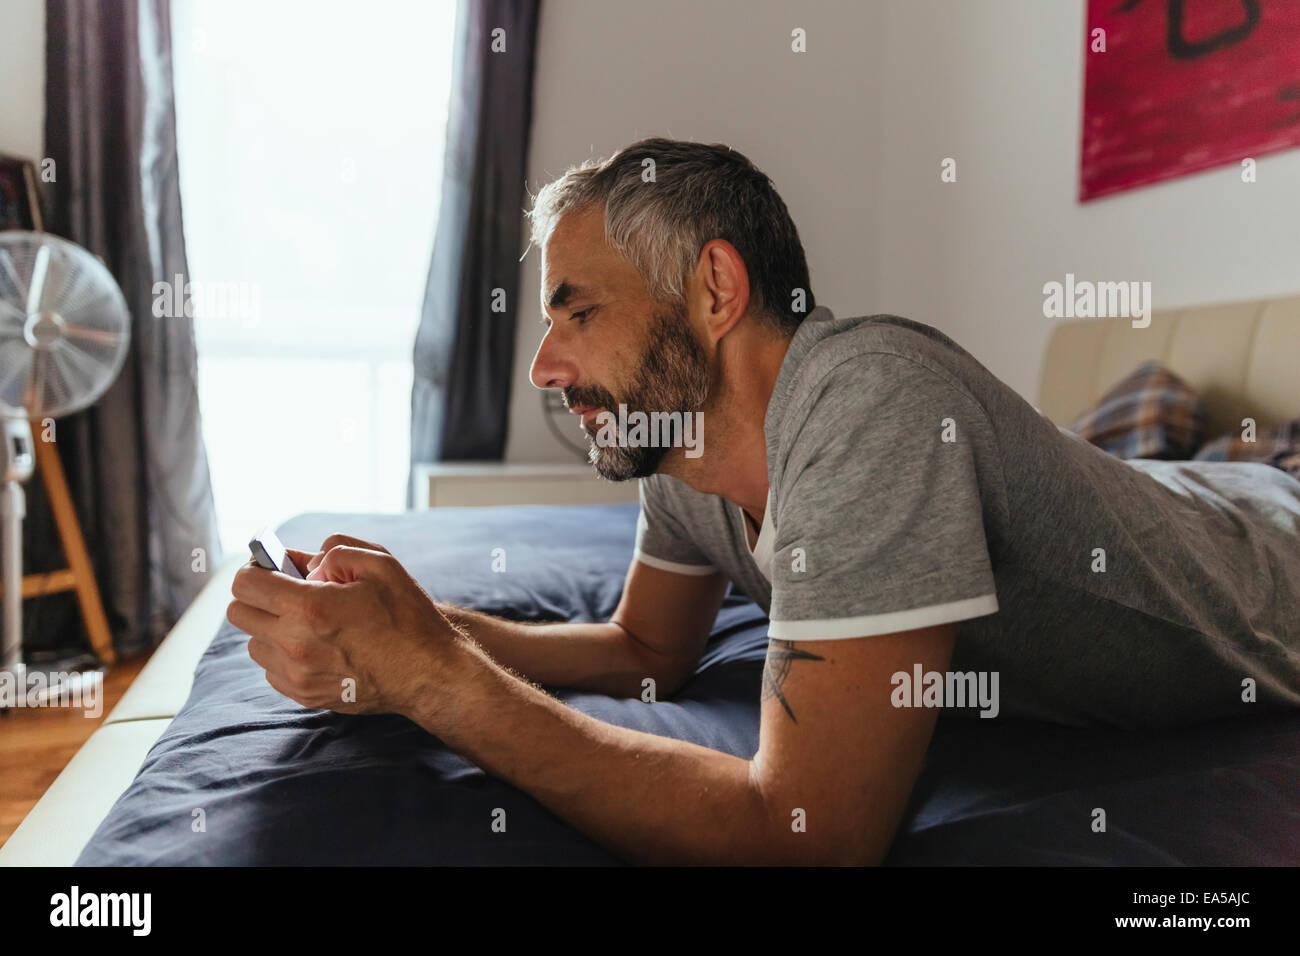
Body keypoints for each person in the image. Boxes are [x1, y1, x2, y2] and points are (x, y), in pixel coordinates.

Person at [228, 138, 1300, 865]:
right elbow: (647, 648)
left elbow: (807, 832)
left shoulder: (870, 396)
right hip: (1183, 492)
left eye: (580, 312)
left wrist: (433, 677)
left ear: (713, 290)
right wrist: (413, 620)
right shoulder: (686, 457)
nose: (545, 368)